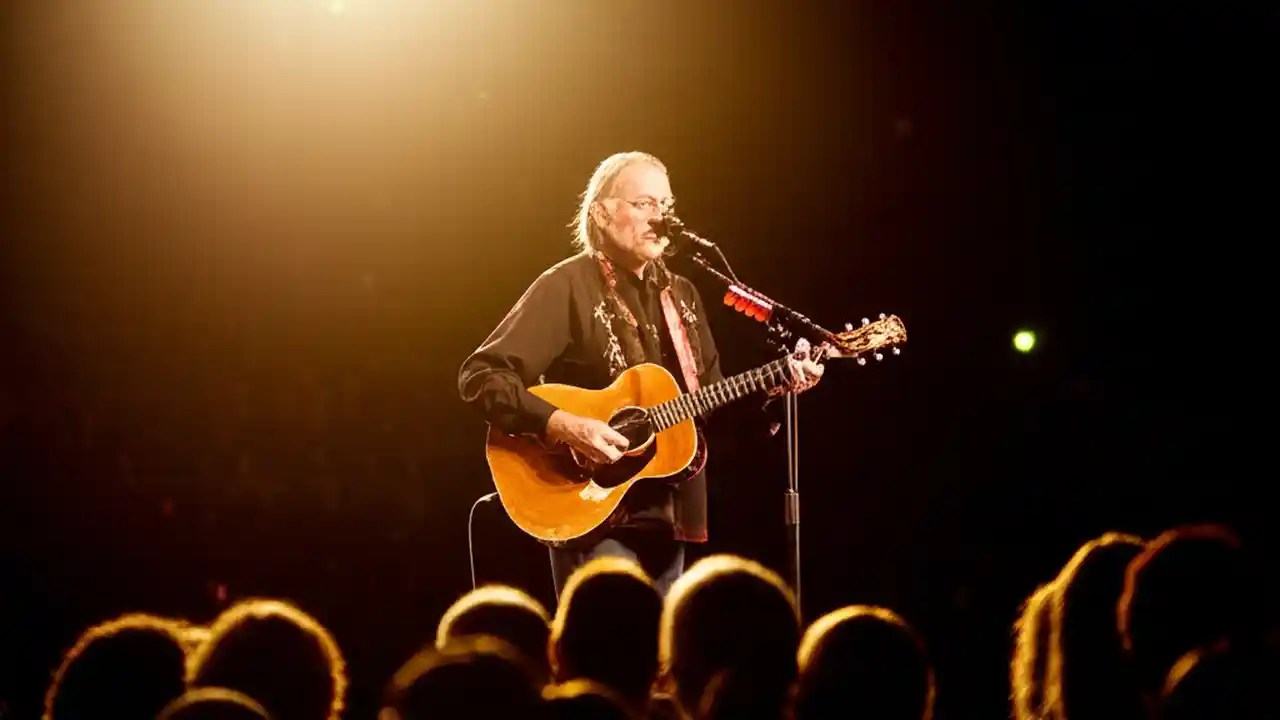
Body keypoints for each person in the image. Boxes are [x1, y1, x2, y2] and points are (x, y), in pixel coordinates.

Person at [458, 151, 824, 597]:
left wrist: (775, 385)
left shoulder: (683, 296)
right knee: (612, 647)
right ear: (602, 212)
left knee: (661, 658)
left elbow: (710, 405)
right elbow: (482, 376)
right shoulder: (567, 286)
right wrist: (564, 425)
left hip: (671, 516)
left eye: (666, 207)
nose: (660, 218)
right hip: (592, 509)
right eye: (645, 204)